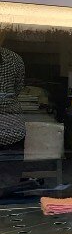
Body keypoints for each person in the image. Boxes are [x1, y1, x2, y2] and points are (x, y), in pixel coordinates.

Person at [0, 34, 26, 192]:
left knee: (10, 178)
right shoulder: (15, 58)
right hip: (12, 125)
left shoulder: (14, 59)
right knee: (10, 181)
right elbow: (18, 88)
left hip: (11, 128)